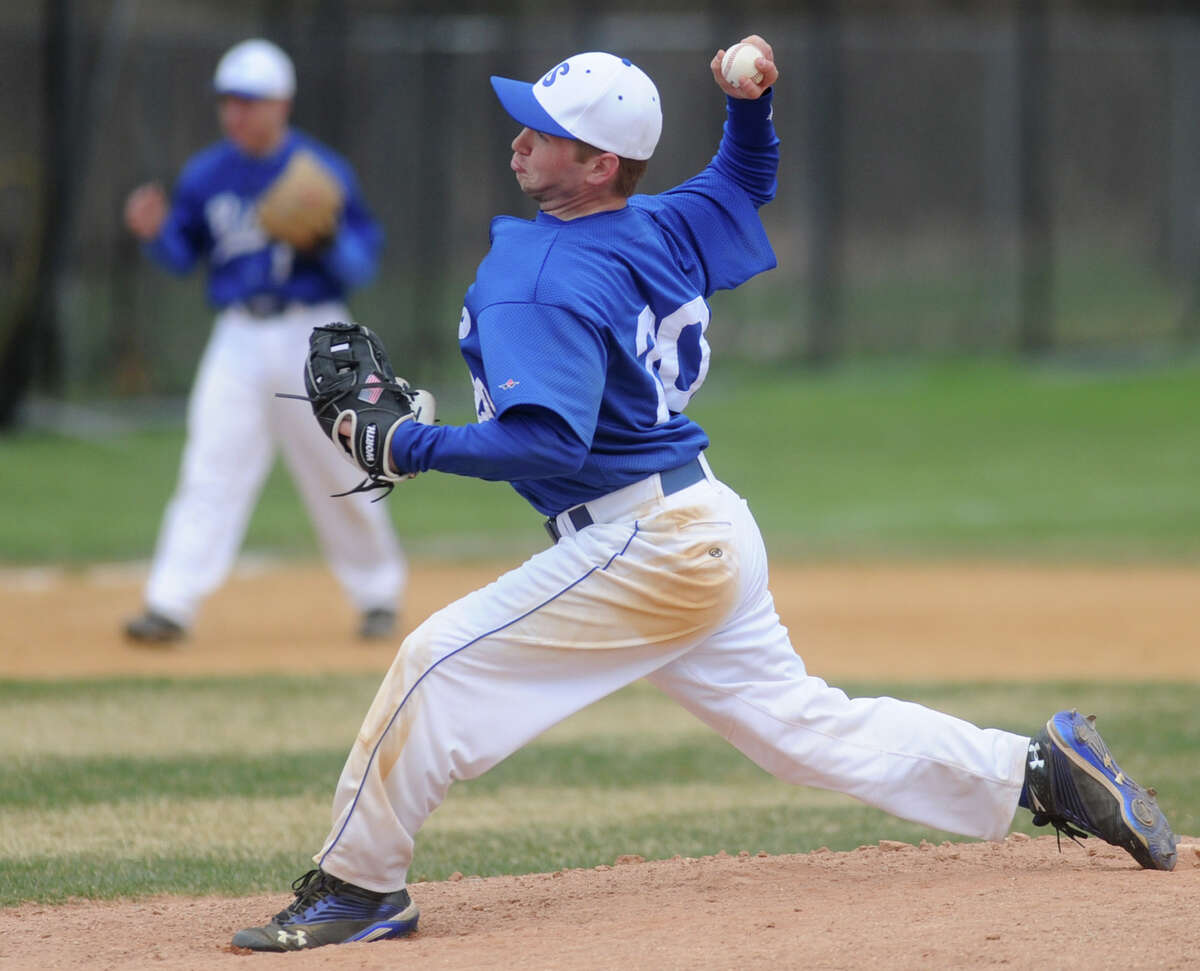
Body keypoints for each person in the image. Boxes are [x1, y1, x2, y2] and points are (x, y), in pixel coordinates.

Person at [232, 37, 1177, 952]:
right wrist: (750, 101)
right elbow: (745, 178)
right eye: (523, 120)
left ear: (601, 163)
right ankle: (1042, 770)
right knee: (803, 730)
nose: (517, 137)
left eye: (543, 128)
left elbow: (547, 439)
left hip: (644, 542)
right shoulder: (659, 222)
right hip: (701, 522)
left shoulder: (543, 274)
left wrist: (409, 443)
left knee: (435, 664)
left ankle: (359, 886)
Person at [122, 38, 406, 644]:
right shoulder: (206, 174)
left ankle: (378, 592)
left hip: (314, 330)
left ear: (282, 103)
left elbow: (361, 265)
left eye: (249, 101)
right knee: (209, 467)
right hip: (239, 335)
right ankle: (170, 604)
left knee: (340, 462)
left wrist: (326, 240)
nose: (235, 113)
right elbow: (184, 254)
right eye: (228, 101)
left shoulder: (321, 170)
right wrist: (154, 232)